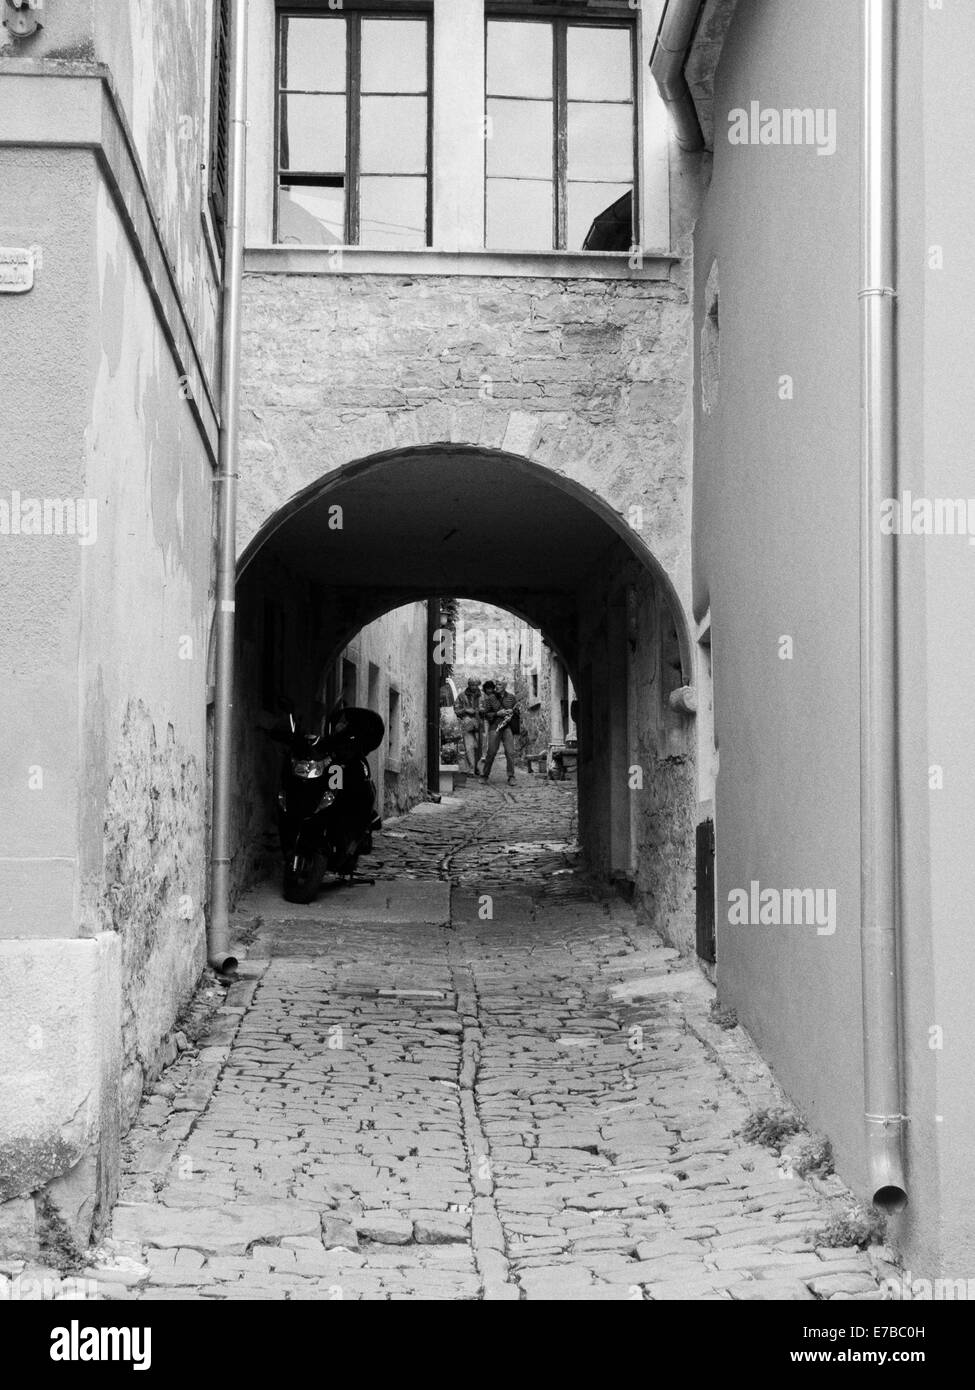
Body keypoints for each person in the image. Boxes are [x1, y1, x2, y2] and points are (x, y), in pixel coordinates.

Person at [481, 678, 519, 786]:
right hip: (495, 727)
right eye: (496, 684)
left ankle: (511, 776)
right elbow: (486, 714)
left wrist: (512, 711)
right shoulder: (490, 698)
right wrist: (498, 714)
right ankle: (485, 775)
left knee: (510, 752)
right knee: (491, 752)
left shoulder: (511, 698)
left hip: (507, 727)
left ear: (505, 686)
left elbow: (517, 712)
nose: (496, 686)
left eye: (499, 685)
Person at [454, 678, 482, 775]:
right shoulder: (461, 696)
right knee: (469, 747)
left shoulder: (483, 696)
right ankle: (471, 768)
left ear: (478, 685)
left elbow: (488, 708)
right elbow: (456, 710)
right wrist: (465, 710)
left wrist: (480, 711)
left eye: (475, 685)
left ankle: (478, 767)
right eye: (471, 685)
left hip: (481, 724)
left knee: (480, 747)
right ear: (469, 685)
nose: (474, 687)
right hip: (467, 724)